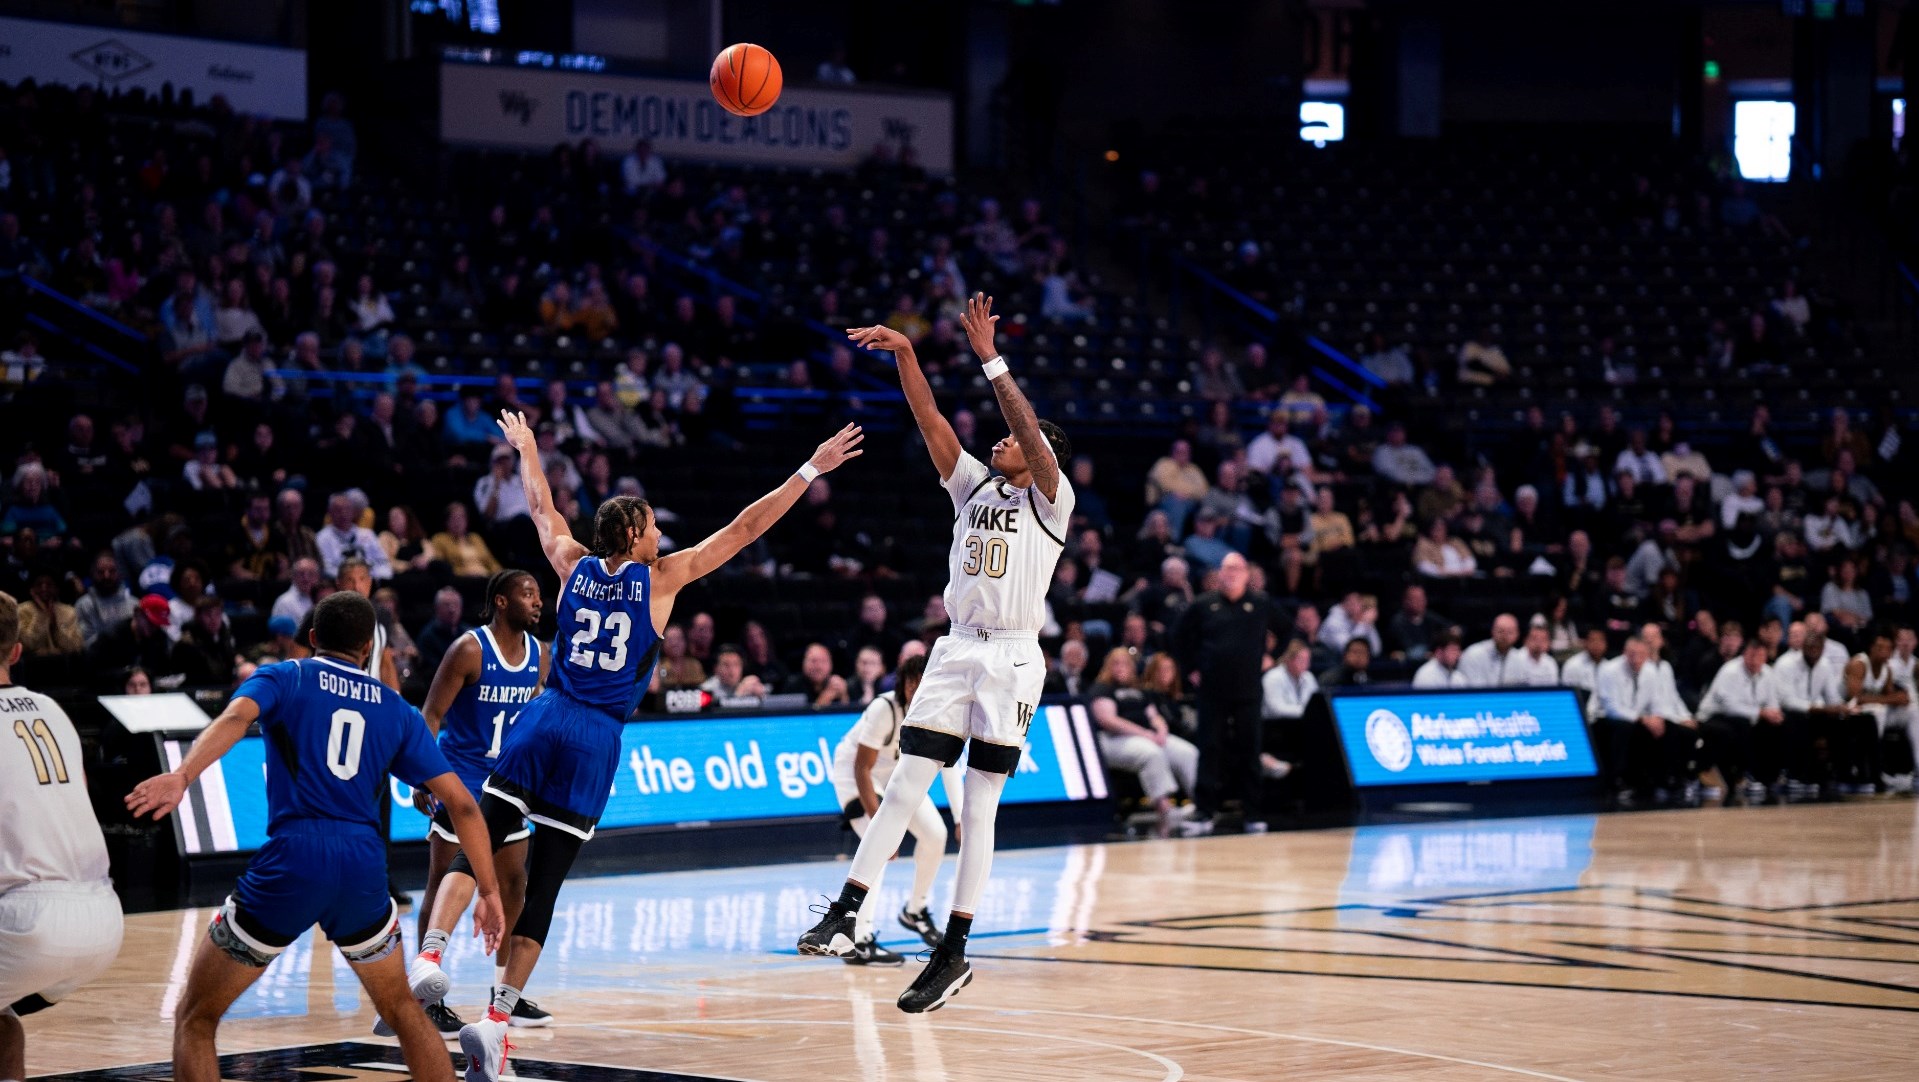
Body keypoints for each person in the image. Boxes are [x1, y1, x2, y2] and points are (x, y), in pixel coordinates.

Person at [415, 410, 862, 1079]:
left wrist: (530, 446)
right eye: (652, 526)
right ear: (632, 532)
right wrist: (809, 468)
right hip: (594, 735)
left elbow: (540, 506)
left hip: (544, 717)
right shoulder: (661, 580)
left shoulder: (569, 564)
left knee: (481, 826)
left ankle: (429, 954)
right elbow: (745, 528)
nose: (661, 535)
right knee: (546, 884)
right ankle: (498, 1022)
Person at [799, 295, 1073, 1016]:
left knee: (978, 809)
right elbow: (930, 424)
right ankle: (848, 909)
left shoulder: (1051, 498)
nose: (996, 445)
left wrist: (990, 358)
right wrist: (907, 356)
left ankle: (951, 950)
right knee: (903, 786)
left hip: (1012, 657)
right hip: (955, 650)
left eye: (1011, 443)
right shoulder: (971, 486)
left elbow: (1028, 437)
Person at [125, 593, 505, 1082]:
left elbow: (235, 719)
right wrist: (490, 892)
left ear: (311, 639)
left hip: (295, 857)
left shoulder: (287, 675)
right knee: (404, 1012)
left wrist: (182, 777)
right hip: (362, 867)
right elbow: (464, 805)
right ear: (369, 647)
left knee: (195, 1018)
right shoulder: (396, 709)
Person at [381, 571, 548, 1036]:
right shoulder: (470, 649)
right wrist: (423, 776)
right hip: (461, 782)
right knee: (443, 882)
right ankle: (427, 995)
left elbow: (533, 719)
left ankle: (504, 993)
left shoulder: (540, 655)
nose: (537, 602)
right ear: (500, 600)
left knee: (514, 882)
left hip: (509, 784)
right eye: (528, 593)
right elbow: (430, 713)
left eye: (538, 595)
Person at [0, 594, 124, 1082]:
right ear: (15, 651)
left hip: (29, 919)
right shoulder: (51, 710)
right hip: (102, 917)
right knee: (3, 1016)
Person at [829, 653, 961, 962]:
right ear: (902, 683)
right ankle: (859, 940)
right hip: (856, 777)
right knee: (878, 852)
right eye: (913, 682)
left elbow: (950, 766)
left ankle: (915, 909)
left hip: (896, 776)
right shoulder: (883, 708)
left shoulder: (938, 710)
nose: (918, 688)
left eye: (924, 682)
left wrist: (960, 817)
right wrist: (881, 826)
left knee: (935, 835)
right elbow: (862, 767)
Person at [1174, 552, 1286, 832]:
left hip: (1248, 688)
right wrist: (1191, 669)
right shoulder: (1203, 605)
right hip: (1212, 689)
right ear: (1219, 574)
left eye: (1237, 569)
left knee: (1251, 749)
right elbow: (1177, 637)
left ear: (1247, 574)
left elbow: (1288, 630)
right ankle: (1204, 812)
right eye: (1227, 569)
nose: (1232, 573)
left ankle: (1253, 813)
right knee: (1210, 748)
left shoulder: (1260, 603)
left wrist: (1272, 658)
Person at [1092, 648, 1200, 837]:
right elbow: (1109, 721)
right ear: (1108, 667)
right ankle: (1165, 809)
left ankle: (1201, 806)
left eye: (1125, 663)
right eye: (1115, 663)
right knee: (1151, 753)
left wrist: (1161, 730)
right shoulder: (1102, 689)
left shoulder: (1139, 690)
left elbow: (1154, 716)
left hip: (1145, 735)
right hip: (1112, 739)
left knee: (1187, 752)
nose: (1120, 667)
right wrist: (1145, 734)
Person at [1699, 638, 1784, 801]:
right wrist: (1760, 713)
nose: (1754, 661)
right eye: (1751, 656)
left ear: (1765, 657)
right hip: (1715, 716)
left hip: (1748, 716)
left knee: (1777, 725)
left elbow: (1772, 702)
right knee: (1742, 725)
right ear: (1744, 655)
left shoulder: (1767, 673)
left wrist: (1774, 714)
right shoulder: (1730, 671)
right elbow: (1729, 707)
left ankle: (1770, 776)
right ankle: (1745, 773)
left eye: (1759, 657)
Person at [1459, 614, 1524, 686]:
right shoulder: (1473, 654)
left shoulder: (1519, 658)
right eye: (1501, 631)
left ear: (1517, 634)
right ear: (1492, 631)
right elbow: (1472, 691)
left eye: (1509, 632)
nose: (1504, 636)